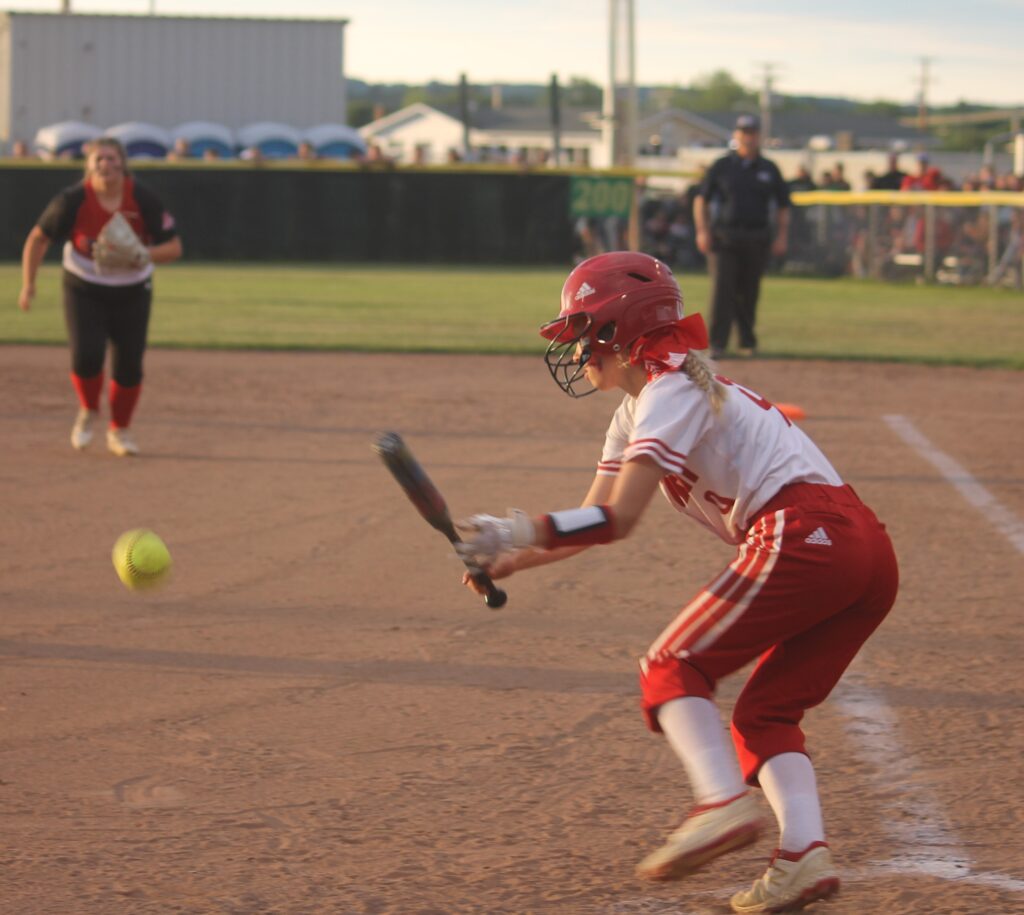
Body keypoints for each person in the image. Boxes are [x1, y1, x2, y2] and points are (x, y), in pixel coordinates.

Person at [455, 251, 899, 913]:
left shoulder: (669, 387)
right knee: (765, 713)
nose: (577, 352)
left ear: (621, 329)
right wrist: (517, 555)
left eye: (583, 333)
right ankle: (804, 855)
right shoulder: (645, 402)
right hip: (860, 548)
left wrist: (516, 529)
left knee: (671, 665)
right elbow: (598, 519)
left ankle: (721, 802)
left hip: (804, 530)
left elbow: (619, 515)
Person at [18, 137, 182, 456]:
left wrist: (144, 254)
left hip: (133, 288)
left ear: (123, 164)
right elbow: (38, 239)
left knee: (129, 365)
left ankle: (120, 430)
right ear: (89, 166)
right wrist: (29, 284)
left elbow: (174, 248)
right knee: (86, 356)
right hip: (84, 285)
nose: (106, 164)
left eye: (112, 158)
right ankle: (88, 410)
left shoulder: (142, 198)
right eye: (99, 159)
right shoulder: (73, 199)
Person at [694, 114, 791, 359]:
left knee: (750, 291)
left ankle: (747, 342)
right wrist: (702, 230)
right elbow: (701, 200)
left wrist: (781, 236)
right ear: (736, 135)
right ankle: (717, 343)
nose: (748, 136)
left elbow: (783, 205)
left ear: (758, 135)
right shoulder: (723, 166)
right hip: (724, 237)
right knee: (722, 290)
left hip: (756, 236)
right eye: (743, 131)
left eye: (752, 132)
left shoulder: (768, 169)